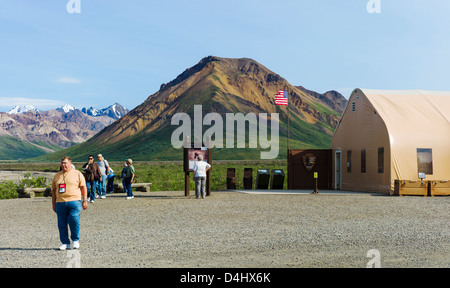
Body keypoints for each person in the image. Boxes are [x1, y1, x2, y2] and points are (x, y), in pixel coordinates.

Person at [52, 156, 88, 250]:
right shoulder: (57, 175)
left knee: (74, 218)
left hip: (74, 201)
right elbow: (53, 190)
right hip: (60, 202)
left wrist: (85, 200)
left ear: (70, 163)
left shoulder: (77, 173)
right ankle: (65, 243)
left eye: (65, 163)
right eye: (62, 163)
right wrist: (53, 204)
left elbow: (83, 187)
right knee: (61, 223)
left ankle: (75, 240)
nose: (63, 165)